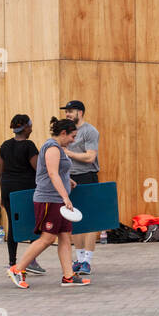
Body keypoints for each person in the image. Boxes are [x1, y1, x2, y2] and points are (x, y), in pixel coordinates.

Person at [6, 118, 90, 288]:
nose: (73, 140)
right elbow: (52, 174)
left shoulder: (59, 148)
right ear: (64, 133)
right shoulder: (52, 147)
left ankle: (68, 276)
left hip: (58, 199)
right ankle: (18, 269)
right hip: (49, 199)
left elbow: (57, 172)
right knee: (47, 238)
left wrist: (69, 180)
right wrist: (65, 197)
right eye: (72, 136)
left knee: (65, 236)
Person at [0, 114, 46, 274]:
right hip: (26, 191)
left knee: (13, 225)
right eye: (30, 125)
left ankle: (12, 262)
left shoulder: (4, 146)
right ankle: (31, 260)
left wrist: (2, 195)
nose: (32, 128)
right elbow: (39, 170)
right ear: (25, 128)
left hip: (8, 191)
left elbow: (1, 173)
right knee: (34, 223)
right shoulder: (29, 146)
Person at [61, 100, 100, 276]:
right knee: (74, 218)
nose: (68, 114)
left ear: (81, 112)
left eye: (71, 111)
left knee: (91, 219)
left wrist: (69, 153)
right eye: (66, 111)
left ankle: (87, 262)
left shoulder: (90, 131)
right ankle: (79, 259)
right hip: (70, 179)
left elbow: (90, 157)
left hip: (87, 176)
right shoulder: (67, 132)